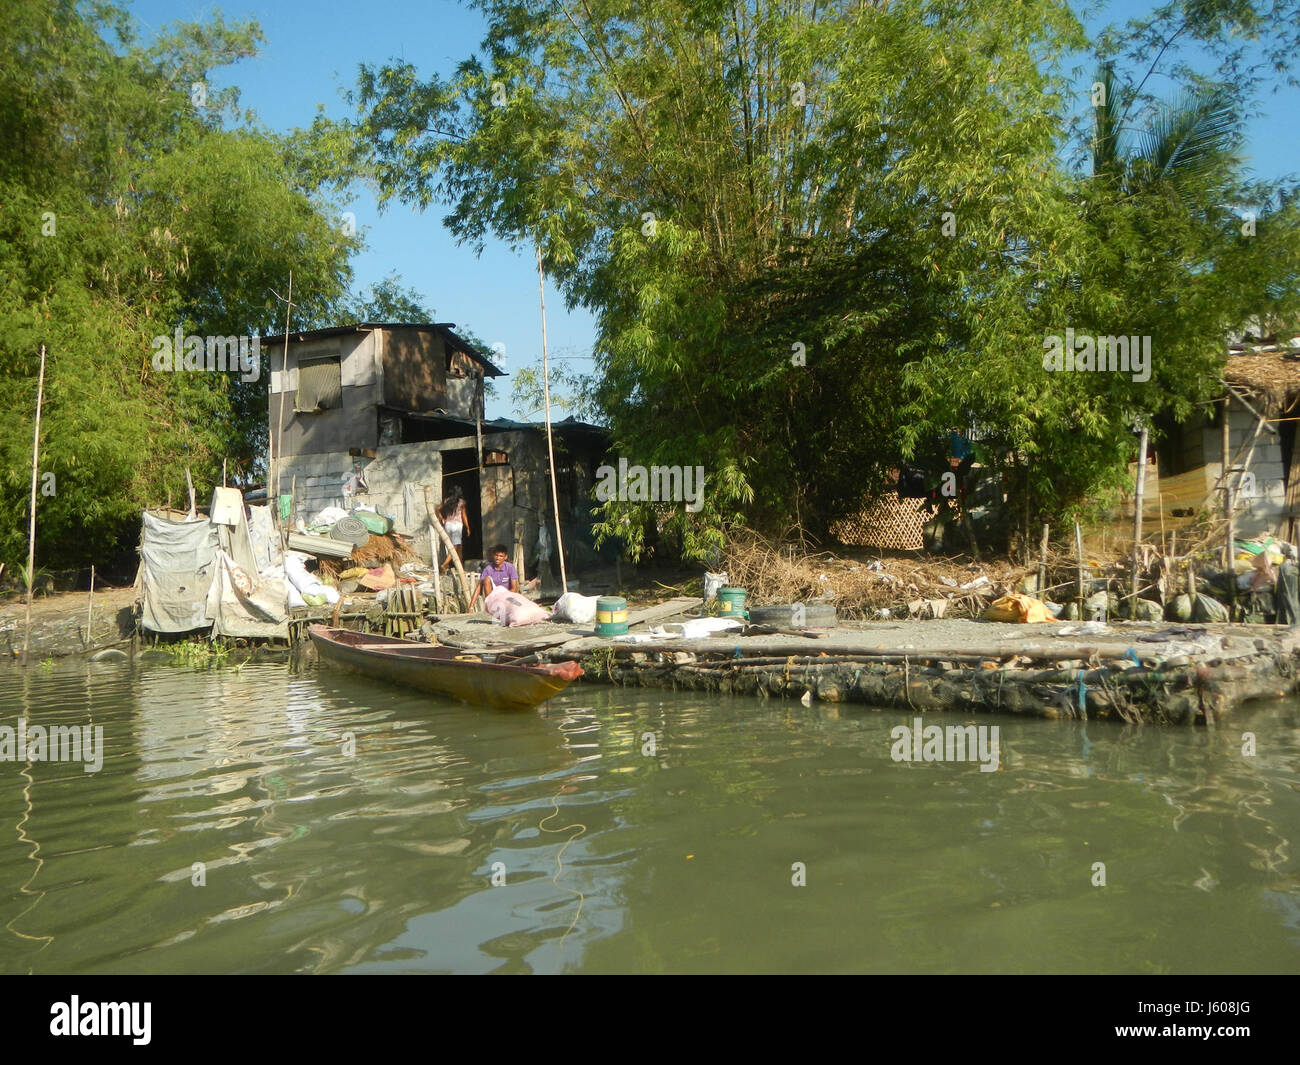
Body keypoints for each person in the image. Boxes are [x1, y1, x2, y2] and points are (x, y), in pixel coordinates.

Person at [469, 544, 519, 609]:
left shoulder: (510, 567)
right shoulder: (488, 569)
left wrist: (503, 598)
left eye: (501, 556)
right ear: (493, 555)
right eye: (496, 555)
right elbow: (479, 587)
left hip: (508, 596)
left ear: (505, 557)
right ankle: (490, 606)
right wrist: (471, 607)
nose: (498, 558)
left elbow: (514, 589)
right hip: (494, 598)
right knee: (486, 579)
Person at [438, 488, 469, 572]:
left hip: (448, 525)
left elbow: (437, 509)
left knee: (455, 546)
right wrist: (468, 527)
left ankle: (460, 567)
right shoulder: (462, 502)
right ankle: (444, 564)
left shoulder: (446, 501)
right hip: (457, 525)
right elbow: (464, 515)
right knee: (454, 546)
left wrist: (442, 519)